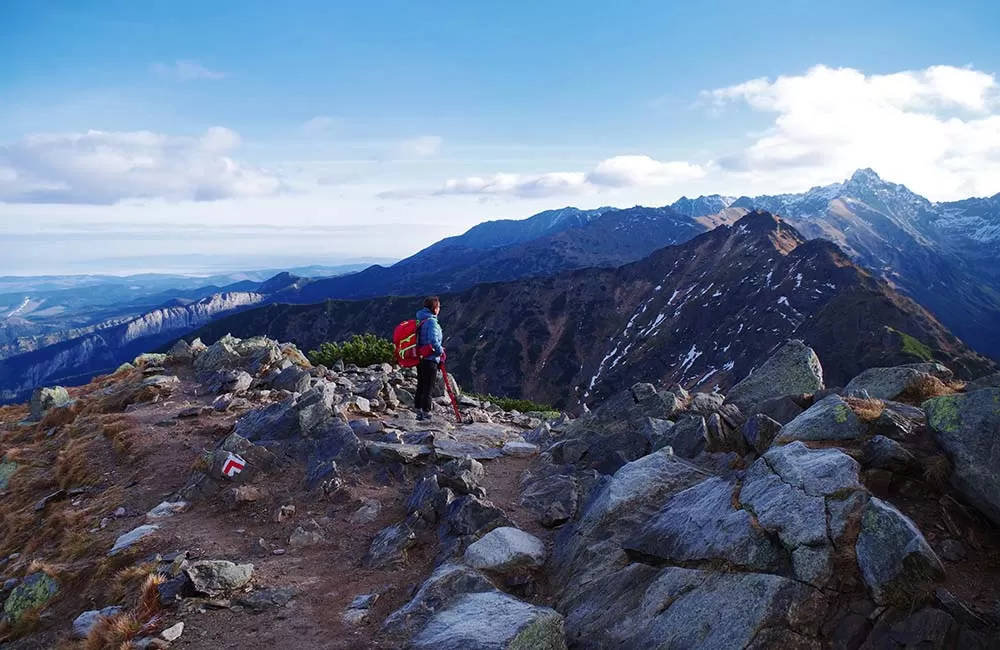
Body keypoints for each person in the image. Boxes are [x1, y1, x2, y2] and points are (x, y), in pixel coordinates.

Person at [413, 296, 444, 421]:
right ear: (435, 308)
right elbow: (433, 340)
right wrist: (440, 351)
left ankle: (418, 410)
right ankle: (426, 412)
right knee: (428, 387)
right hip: (430, 358)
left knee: (420, 385)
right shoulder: (431, 322)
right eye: (439, 307)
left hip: (420, 357)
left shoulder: (420, 320)